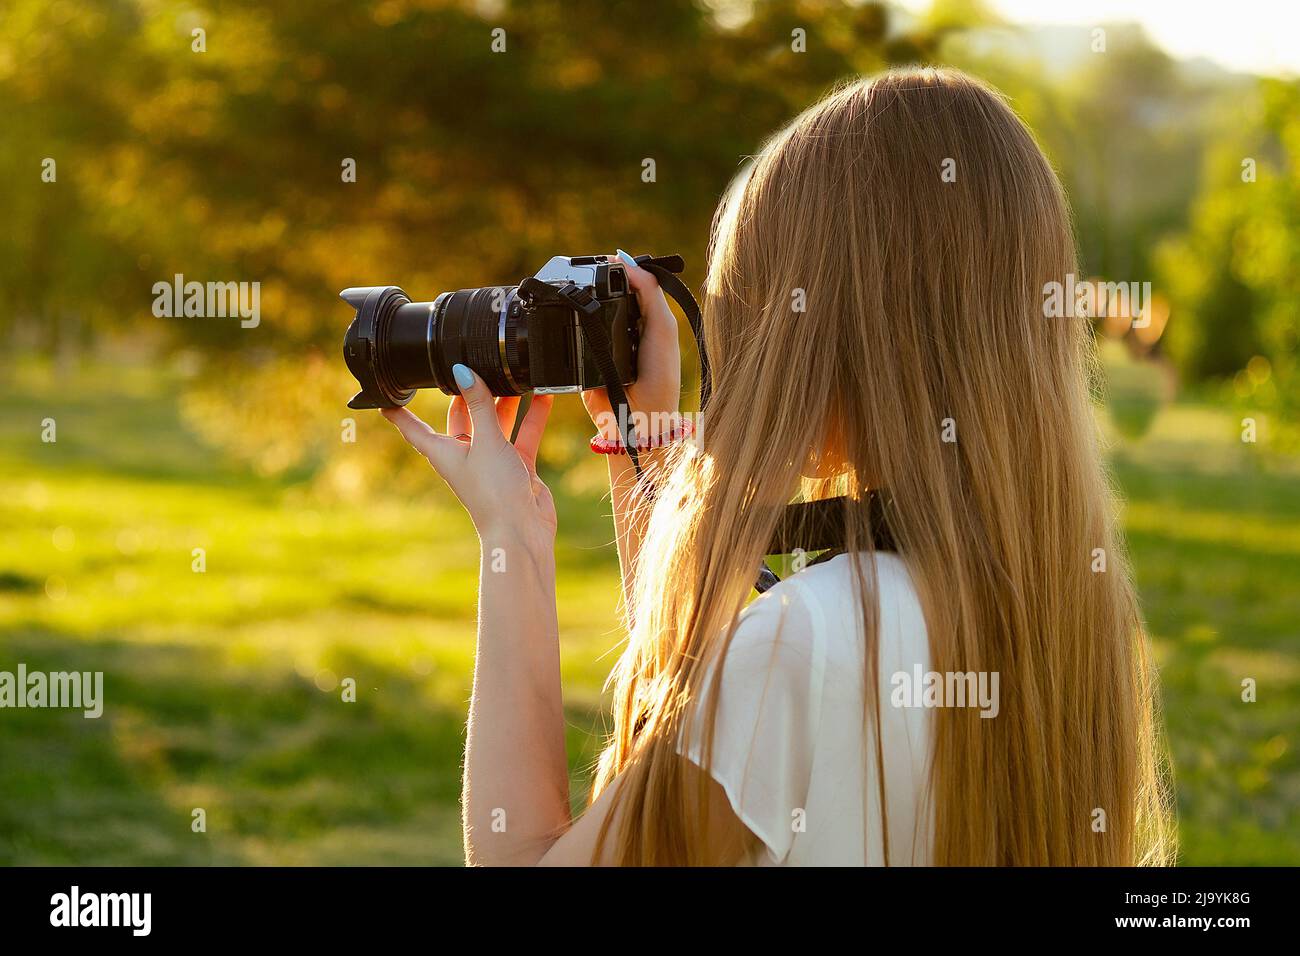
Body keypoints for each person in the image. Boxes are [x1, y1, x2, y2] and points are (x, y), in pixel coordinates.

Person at [383, 67, 1174, 866]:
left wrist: (510, 532)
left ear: (827, 326)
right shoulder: (1060, 610)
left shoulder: (808, 640)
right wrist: (641, 447)